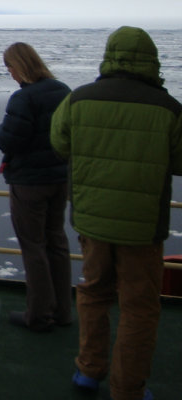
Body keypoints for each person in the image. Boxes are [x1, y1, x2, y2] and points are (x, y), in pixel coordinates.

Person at [51, 26, 182, 400]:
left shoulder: (78, 99)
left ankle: (89, 372)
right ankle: (128, 389)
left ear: (109, 55)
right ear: (151, 60)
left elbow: (60, 142)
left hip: (92, 219)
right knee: (139, 307)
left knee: (93, 292)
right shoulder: (169, 107)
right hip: (142, 226)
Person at [0, 42, 72, 332]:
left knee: (33, 246)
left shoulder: (23, 98)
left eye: (10, 68)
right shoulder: (63, 90)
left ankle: (39, 315)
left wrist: (1, 131)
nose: (10, 74)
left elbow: (11, 140)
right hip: (59, 179)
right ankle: (63, 312)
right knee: (56, 241)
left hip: (30, 184)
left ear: (20, 67)